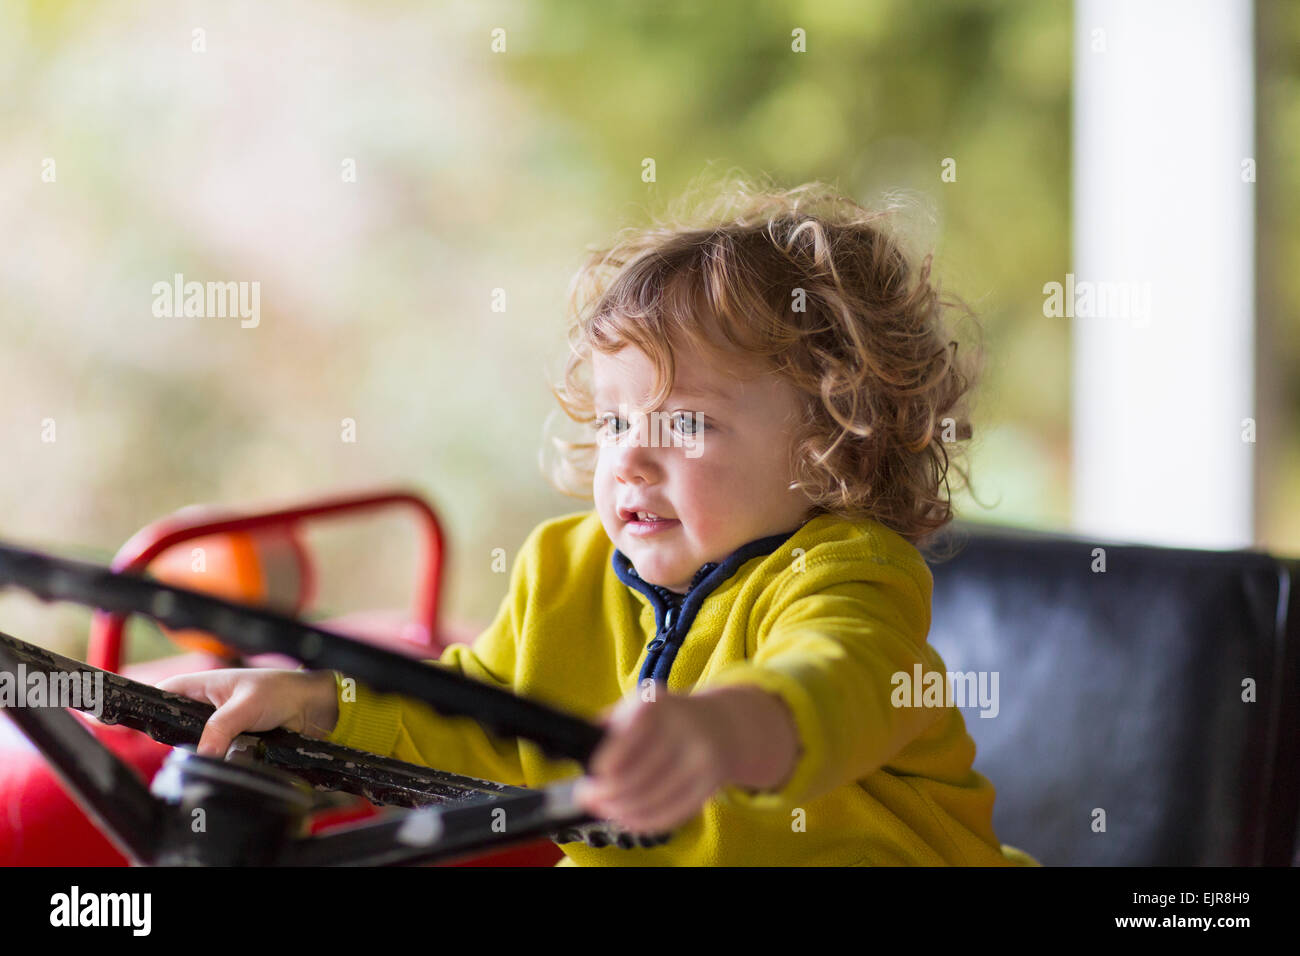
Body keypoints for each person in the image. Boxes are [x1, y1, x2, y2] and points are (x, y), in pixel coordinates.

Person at [159, 176, 1040, 866]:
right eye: (617, 422)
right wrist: (317, 702)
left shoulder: (848, 573)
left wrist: (721, 731)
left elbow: (836, 681)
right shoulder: (565, 569)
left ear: (830, 439)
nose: (631, 458)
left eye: (683, 424)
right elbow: (482, 716)